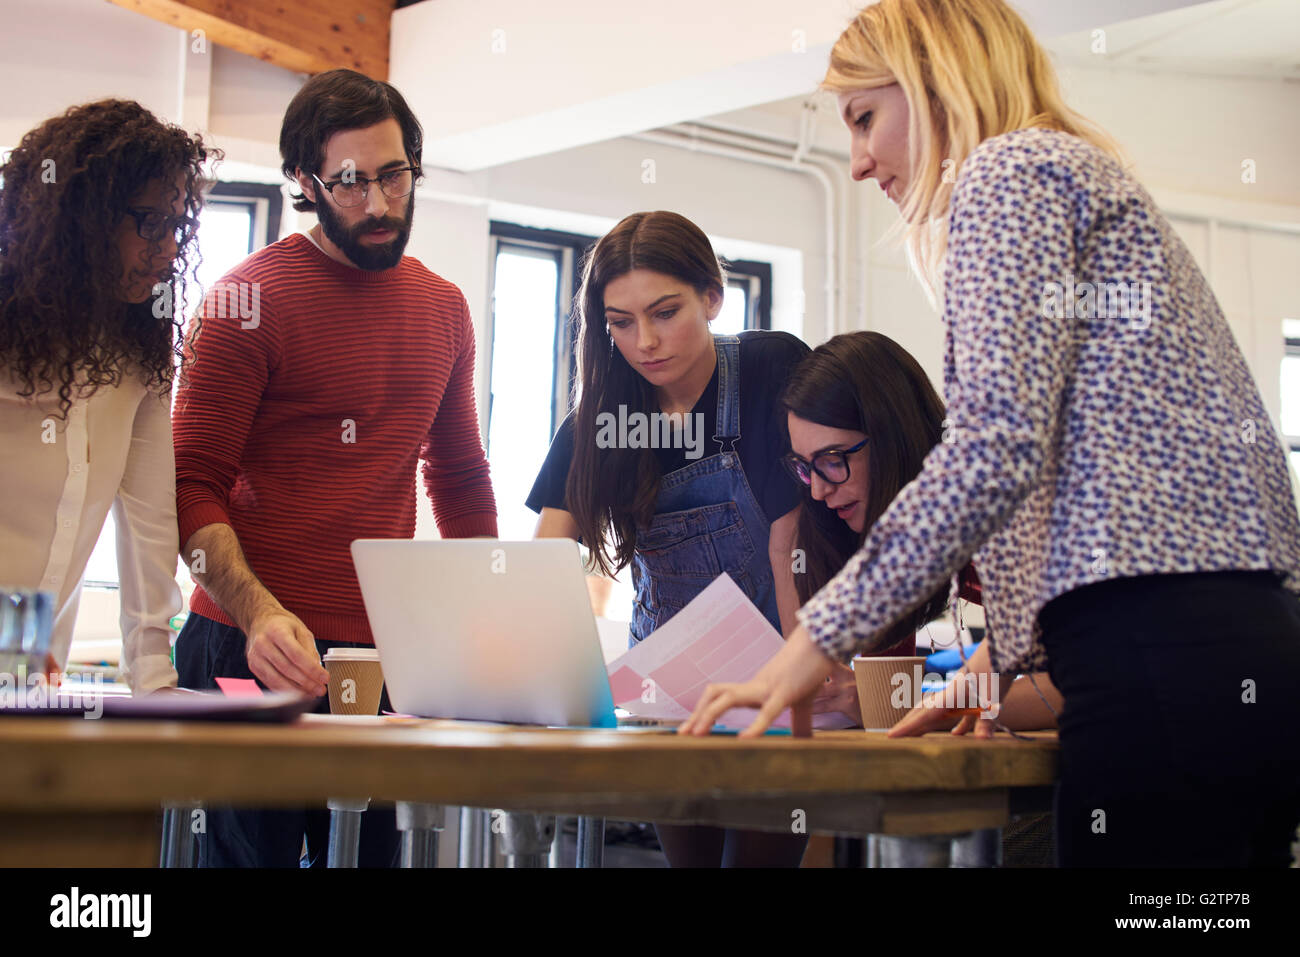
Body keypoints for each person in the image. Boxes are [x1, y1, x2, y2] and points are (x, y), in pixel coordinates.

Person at [682, 0, 1300, 868]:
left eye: (865, 117)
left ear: (936, 79)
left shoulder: (1011, 171)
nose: (857, 162)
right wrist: (1003, 668)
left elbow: (993, 449)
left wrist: (817, 638)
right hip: (1223, 638)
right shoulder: (1073, 176)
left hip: (1159, 640)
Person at [172, 69, 499, 867]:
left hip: (387, 665)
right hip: (242, 651)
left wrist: (491, 619)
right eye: (351, 183)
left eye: (394, 175)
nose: (381, 204)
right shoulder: (245, 302)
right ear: (305, 184)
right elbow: (189, 485)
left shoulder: (445, 307)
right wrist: (256, 614)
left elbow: (456, 475)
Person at [526, 210, 814, 866]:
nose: (646, 341)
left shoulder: (772, 367)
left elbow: (790, 544)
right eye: (621, 323)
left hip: (776, 683)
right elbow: (540, 564)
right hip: (668, 698)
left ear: (712, 296)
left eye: (665, 311)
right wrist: (543, 678)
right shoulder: (600, 419)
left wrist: (798, 685)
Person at [0, 99, 210, 694]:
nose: (169, 250)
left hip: (26, 687)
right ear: (81, 217)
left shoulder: (138, 352)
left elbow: (149, 520)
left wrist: (155, 679)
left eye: (178, 228)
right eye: (149, 224)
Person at [779, 330, 1062, 731]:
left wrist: (938, 709)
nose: (819, 489)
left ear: (893, 436)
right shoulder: (865, 536)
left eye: (831, 458)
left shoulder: (997, 502)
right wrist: (873, 701)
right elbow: (891, 692)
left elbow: (1085, 683)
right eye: (805, 467)